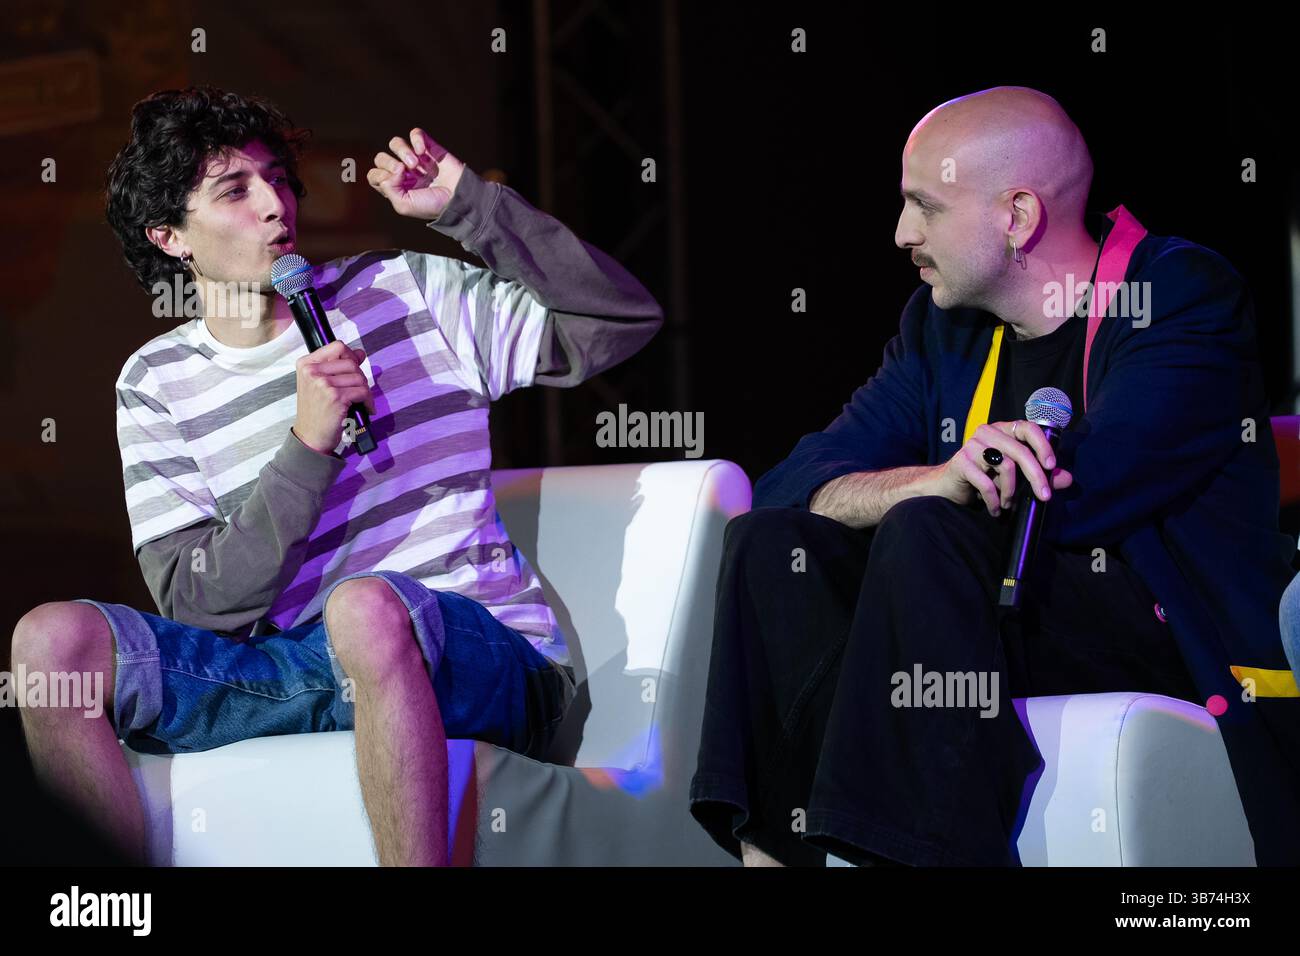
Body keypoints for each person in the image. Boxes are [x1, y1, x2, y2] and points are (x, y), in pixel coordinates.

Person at [11, 86, 663, 866]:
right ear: (169, 236)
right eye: (235, 189)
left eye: (278, 178)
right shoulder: (156, 380)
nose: (276, 204)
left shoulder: (406, 293)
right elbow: (198, 605)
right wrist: (305, 450)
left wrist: (472, 208)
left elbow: (619, 322)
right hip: (299, 671)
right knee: (52, 641)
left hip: (475, 661)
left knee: (363, 608)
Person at [689, 86, 1300, 867]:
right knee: (771, 542)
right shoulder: (941, 328)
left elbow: (1089, 489)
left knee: (927, 528)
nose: (902, 233)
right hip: (986, 619)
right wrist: (927, 479)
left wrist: (935, 498)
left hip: (1159, 635)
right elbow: (792, 478)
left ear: (1016, 216)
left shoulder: (1179, 294)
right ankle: (776, 853)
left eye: (925, 207)